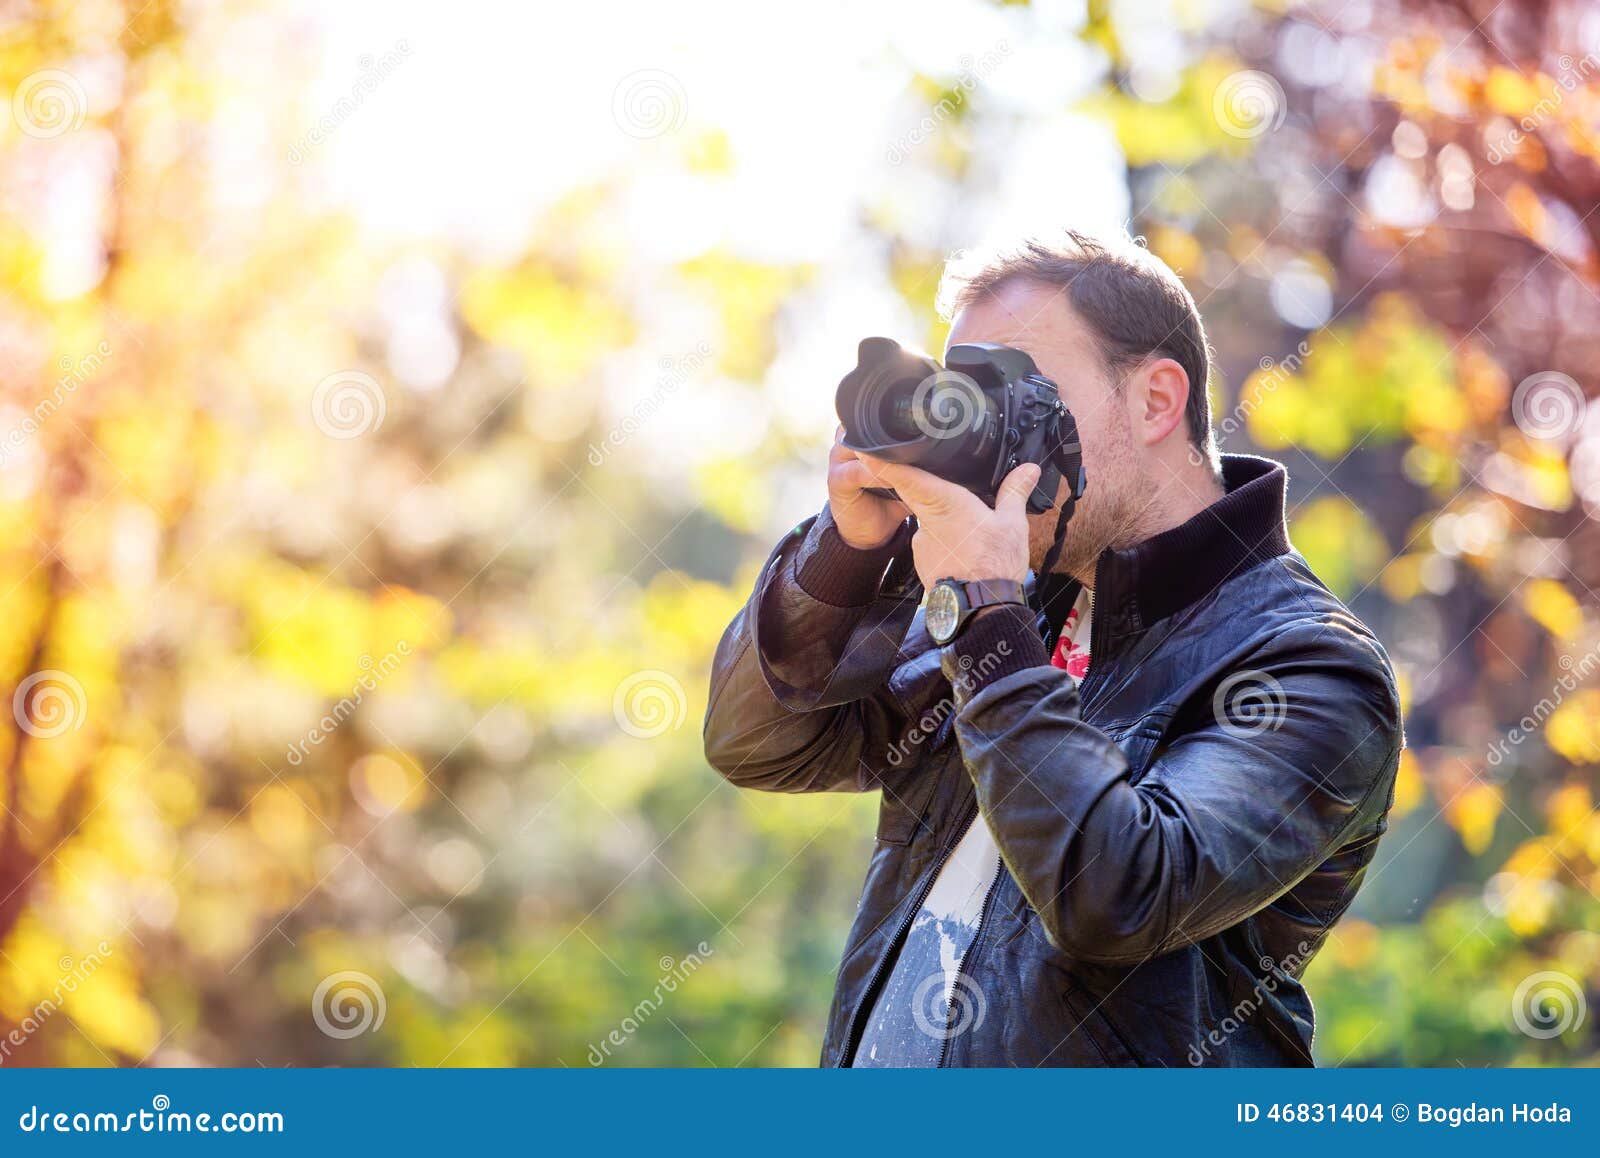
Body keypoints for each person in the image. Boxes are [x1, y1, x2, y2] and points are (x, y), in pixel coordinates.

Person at [702, 231, 1404, 1067]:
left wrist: (986, 621)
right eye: (967, 399)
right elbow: (758, 745)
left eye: (1018, 394)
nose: (987, 441)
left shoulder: (1311, 664)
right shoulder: (1019, 602)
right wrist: (848, 553)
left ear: (1155, 401)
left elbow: (1118, 894)